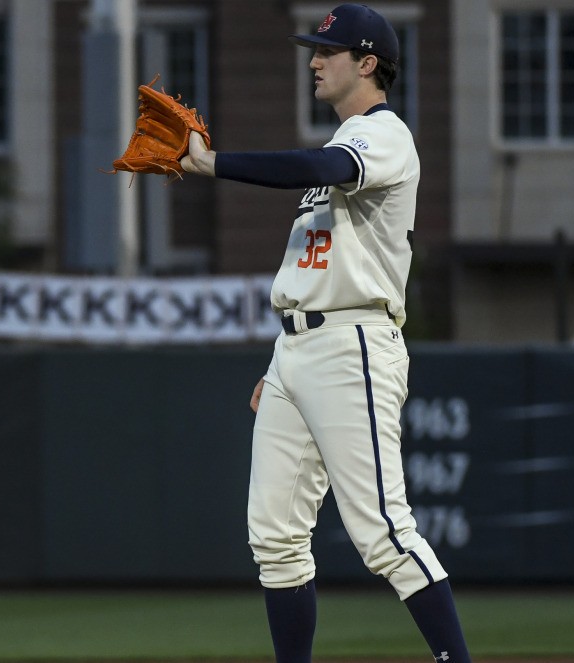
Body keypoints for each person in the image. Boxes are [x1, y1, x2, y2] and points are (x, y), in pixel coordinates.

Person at [179, 5, 473, 663]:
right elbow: (313, 262)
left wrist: (213, 163)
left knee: (385, 534)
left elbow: (318, 168)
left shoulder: (384, 135)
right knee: (275, 538)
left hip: (353, 343)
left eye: (327, 51)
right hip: (298, 349)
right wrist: (281, 362)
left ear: (367, 63)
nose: (313, 60)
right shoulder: (347, 142)